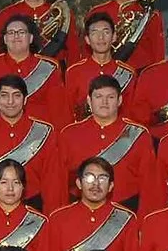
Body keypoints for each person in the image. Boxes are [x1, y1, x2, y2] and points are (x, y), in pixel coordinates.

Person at [39, 157, 140, 251]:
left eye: (102, 178)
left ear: (111, 186)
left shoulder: (126, 218)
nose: (96, 184)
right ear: (79, 183)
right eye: (89, 177)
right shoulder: (58, 219)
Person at [55, 77, 152, 210]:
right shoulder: (69, 134)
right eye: (98, 96)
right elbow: (59, 182)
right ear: (89, 101)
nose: (104, 102)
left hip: (126, 209)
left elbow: (149, 184)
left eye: (111, 97)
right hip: (80, 208)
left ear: (119, 100)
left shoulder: (138, 134)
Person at [0, 77, 60, 207]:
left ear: (25, 99)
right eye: (4, 96)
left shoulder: (43, 131)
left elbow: (52, 181)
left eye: (16, 95)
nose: (10, 102)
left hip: (32, 205)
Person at [0, 16, 69, 128]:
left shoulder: (49, 67)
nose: (16, 36)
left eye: (21, 32)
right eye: (11, 32)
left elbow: (60, 113)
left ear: (31, 38)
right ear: (5, 39)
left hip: (38, 138)